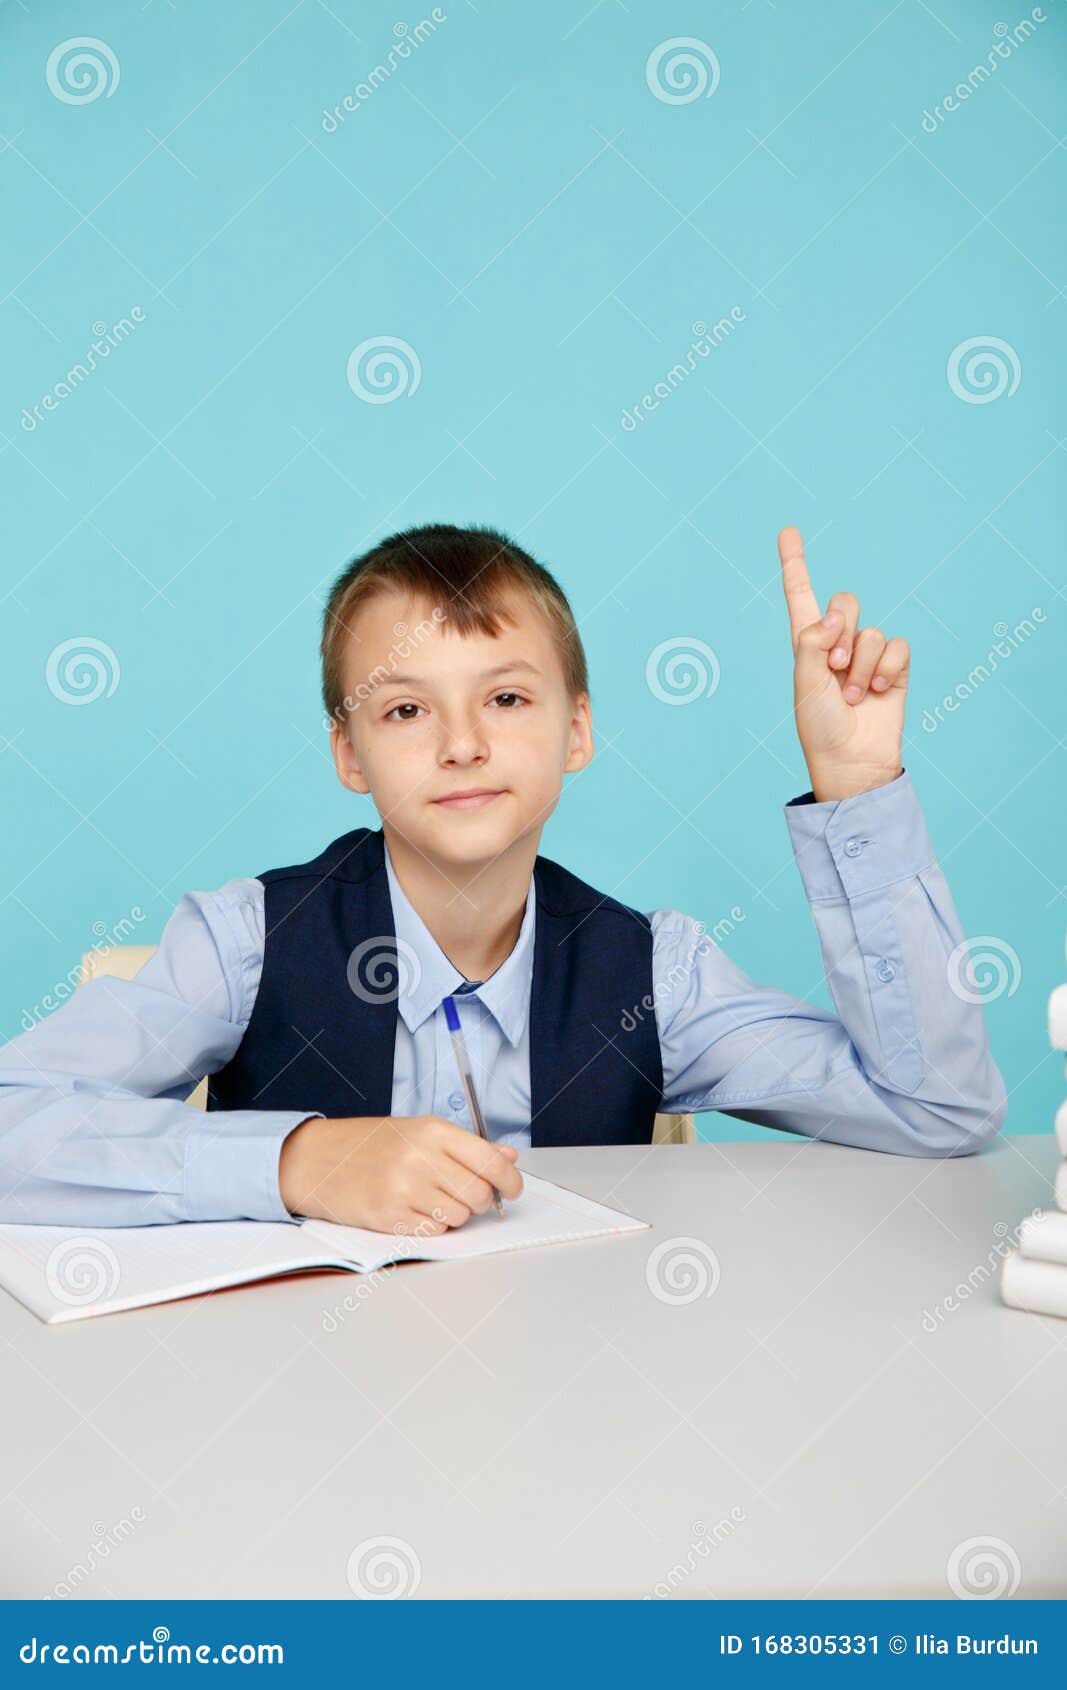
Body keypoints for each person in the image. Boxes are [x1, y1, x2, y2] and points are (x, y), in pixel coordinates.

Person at [0, 524, 1007, 1230]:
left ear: (577, 731)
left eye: (508, 698)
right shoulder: (245, 943)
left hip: (574, 1400)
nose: (462, 744)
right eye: (405, 710)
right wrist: (296, 1160)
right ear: (349, 754)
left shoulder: (653, 973)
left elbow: (936, 1110)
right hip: (301, 1409)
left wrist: (855, 790)